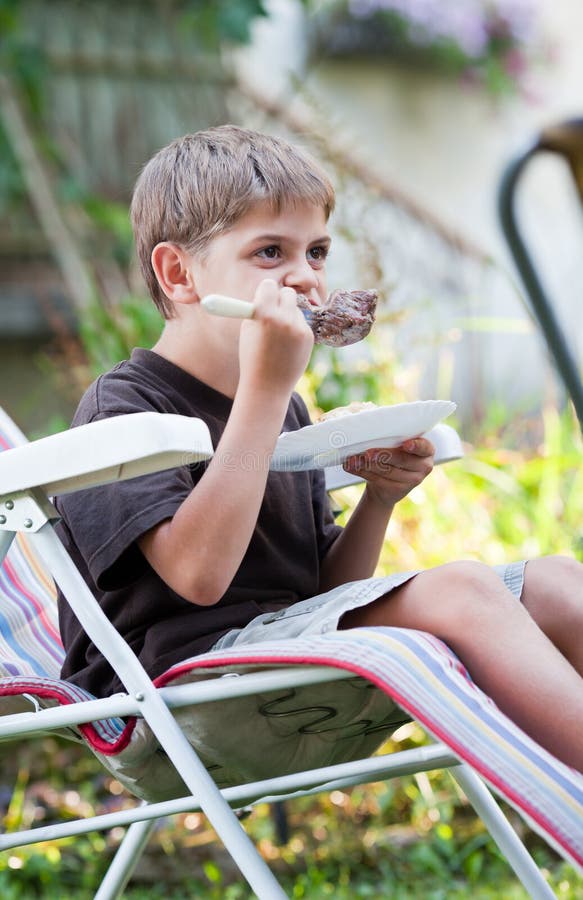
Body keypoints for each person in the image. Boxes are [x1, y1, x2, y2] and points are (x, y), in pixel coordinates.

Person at [56, 125, 583, 773]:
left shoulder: (284, 408)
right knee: (463, 590)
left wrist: (380, 499)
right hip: (180, 693)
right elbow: (197, 577)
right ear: (178, 273)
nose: (305, 277)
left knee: (560, 581)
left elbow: (324, 591)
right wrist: (266, 389)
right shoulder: (125, 408)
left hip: (294, 657)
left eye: (317, 252)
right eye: (270, 252)